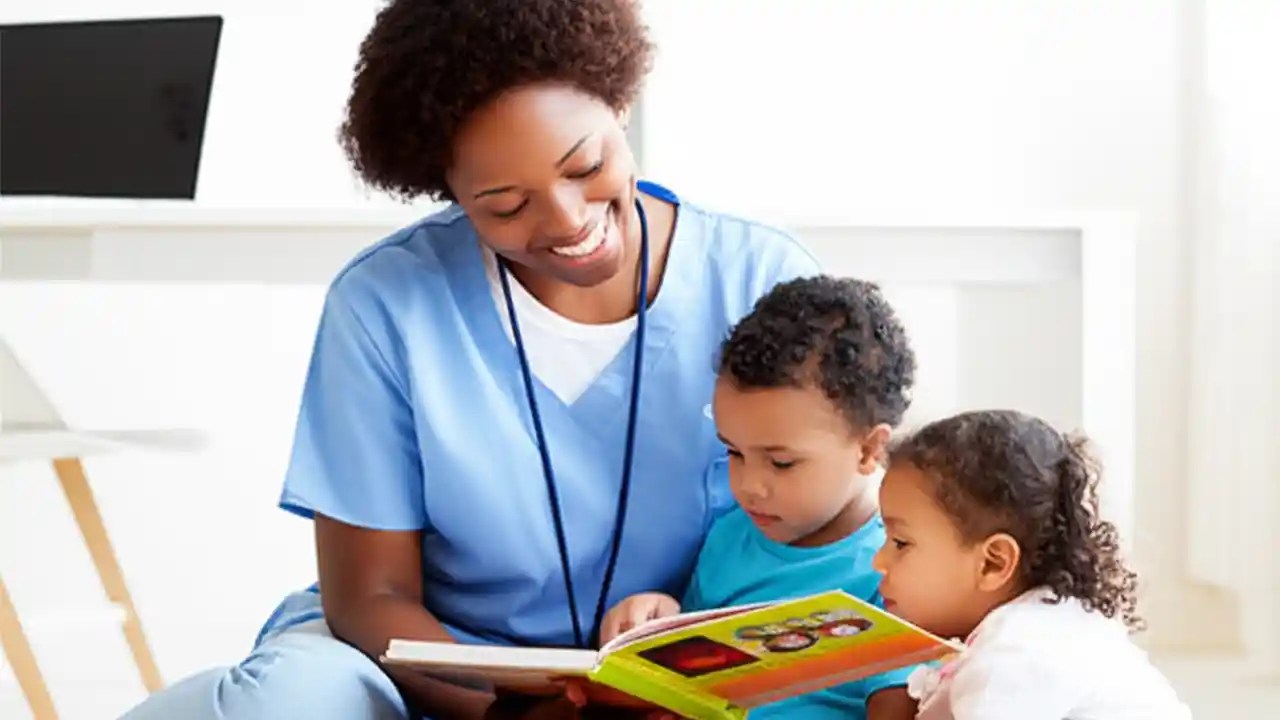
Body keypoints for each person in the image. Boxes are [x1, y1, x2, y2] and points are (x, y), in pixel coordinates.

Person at [121, 1, 820, 718]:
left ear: (620, 101)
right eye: (506, 205)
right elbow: (370, 599)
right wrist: (505, 711)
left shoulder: (758, 277)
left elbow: (840, 525)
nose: (568, 220)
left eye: (586, 165)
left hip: (679, 683)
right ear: (446, 189)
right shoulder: (385, 305)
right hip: (423, 675)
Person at [601, 276, 922, 719]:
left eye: (782, 463)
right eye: (733, 452)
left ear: (869, 450)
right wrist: (662, 624)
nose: (750, 485)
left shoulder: (907, 560)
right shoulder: (730, 538)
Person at [874, 410, 1192, 719]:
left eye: (901, 543)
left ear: (992, 563)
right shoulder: (1033, 628)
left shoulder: (1019, 652)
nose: (879, 561)